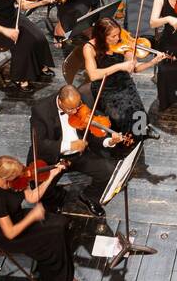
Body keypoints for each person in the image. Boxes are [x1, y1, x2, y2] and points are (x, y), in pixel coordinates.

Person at [0, 156, 84, 281]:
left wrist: (51, 176)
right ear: (6, 178)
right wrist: (32, 216)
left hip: (19, 218)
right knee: (55, 236)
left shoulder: (18, 176)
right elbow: (10, 233)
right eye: (17, 175)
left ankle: (55, 263)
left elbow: (32, 197)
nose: (22, 175)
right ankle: (64, 278)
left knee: (62, 222)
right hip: (10, 236)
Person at [29, 85, 128, 217]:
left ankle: (89, 197)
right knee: (38, 185)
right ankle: (53, 198)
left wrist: (109, 141)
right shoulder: (41, 110)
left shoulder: (83, 102)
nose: (76, 111)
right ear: (60, 102)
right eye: (70, 109)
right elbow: (40, 144)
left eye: (78, 106)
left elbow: (93, 132)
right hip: (54, 156)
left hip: (80, 154)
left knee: (109, 172)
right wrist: (70, 145)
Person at [82, 16, 169, 136]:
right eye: (113, 36)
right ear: (101, 36)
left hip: (124, 82)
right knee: (121, 115)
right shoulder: (89, 48)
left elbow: (135, 68)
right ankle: (126, 138)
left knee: (137, 107)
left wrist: (152, 62)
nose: (118, 38)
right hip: (105, 88)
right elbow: (93, 75)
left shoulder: (123, 43)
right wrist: (119, 66)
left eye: (118, 34)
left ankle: (143, 130)